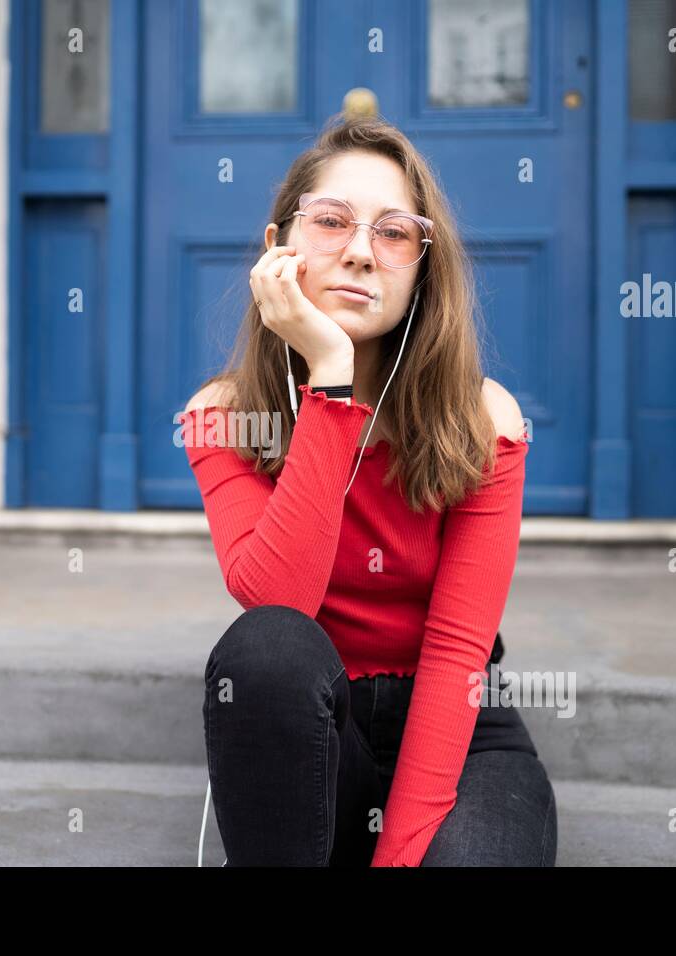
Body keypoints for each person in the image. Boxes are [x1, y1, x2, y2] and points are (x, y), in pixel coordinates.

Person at [175, 115, 557, 867]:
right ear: (277, 250)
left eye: (393, 233)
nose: (358, 251)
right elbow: (279, 599)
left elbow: (454, 654)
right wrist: (330, 374)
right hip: (314, 728)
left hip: (458, 728)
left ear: (422, 266)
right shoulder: (223, 418)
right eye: (330, 222)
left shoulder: (484, 420)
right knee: (267, 647)